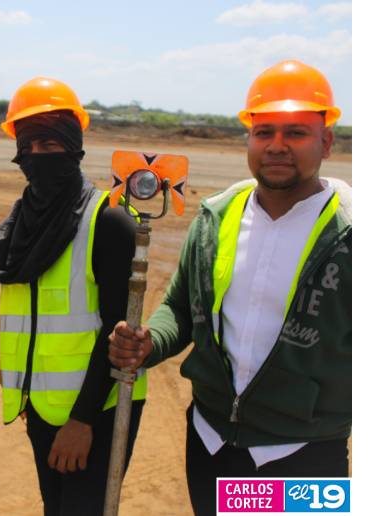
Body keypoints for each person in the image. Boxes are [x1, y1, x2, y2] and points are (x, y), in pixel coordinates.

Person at [108, 60, 351, 516]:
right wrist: (149, 342)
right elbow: (181, 308)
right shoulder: (216, 219)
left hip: (302, 453)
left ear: (326, 141)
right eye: (264, 132)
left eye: (296, 132)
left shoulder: (352, 234)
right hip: (212, 443)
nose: (276, 146)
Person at [0, 77, 146, 516]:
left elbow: (117, 333)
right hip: (43, 409)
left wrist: (82, 420)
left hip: (97, 412)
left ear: (74, 146)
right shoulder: (24, 222)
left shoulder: (108, 219)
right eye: (27, 146)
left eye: (49, 144)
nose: (36, 156)